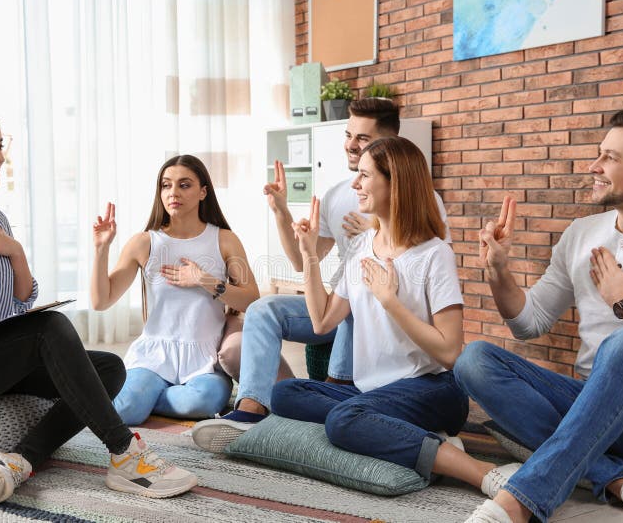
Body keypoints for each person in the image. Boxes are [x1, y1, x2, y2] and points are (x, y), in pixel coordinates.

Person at [0, 103, 196, 505]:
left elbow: (21, 301)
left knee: (108, 368)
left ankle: (21, 460)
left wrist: (16, 252)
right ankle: (125, 453)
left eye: (0, 145)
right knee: (51, 327)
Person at [456, 104, 623, 523]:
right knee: (473, 360)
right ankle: (619, 480)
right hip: (592, 408)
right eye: (599, 153)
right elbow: (529, 324)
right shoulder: (581, 234)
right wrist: (498, 271)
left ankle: (515, 504)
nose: (594, 166)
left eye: (611, 158)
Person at [193, 98, 451, 451]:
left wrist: (376, 236)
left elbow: (422, 266)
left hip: (382, 324)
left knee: (357, 313)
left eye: (362, 139)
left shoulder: (428, 226)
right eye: (348, 135)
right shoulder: (340, 199)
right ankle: (254, 408)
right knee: (274, 353)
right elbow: (307, 277)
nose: (350, 146)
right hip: (344, 302)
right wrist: (284, 215)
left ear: (388, 146)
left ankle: (354, 408)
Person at [267, 136, 468, 482]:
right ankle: (394, 428)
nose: (355, 184)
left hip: (431, 387)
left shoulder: (435, 254)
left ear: (396, 184)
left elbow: (450, 353)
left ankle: (460, 462)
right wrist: (310, 255)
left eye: (365, 175)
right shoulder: (362, 246)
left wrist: (390, 301)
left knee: (343, 420)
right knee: (284, 393)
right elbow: (323, 322)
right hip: (370, 391)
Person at [91, 154, 260, 424]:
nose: (173, 193)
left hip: (203, 359)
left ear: (203, 192)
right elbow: (101, 301)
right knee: (126, 412)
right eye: (166, 185)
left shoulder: (225, 240)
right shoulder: (144, 242)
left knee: (201, 402)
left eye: (184, 185)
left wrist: (204, 280)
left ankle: (142, 397)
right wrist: (101, 250)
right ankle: (139, 396)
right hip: (153, 355)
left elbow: (251, 300)